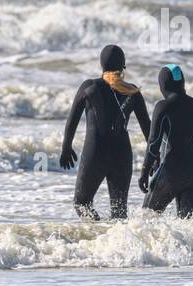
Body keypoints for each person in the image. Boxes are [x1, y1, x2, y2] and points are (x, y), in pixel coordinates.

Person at [60, 45, 151, 220]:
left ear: (101, 65)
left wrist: (66, 147)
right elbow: (149, 131)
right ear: (123, 67)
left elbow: (72, 120)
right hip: (122, 155)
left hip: (96, 153)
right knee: (119, 213)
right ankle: (114, 244)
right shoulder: (132, 92)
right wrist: (153, 161)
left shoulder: (89, 87)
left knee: (82, 203)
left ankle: (99, 237)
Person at [138, 64, 193, 218]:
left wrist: (144, 172)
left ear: (163, 85)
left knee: (146, 220)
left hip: (171, 171)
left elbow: (153, 142)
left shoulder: (163, 107)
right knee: (188, 229)